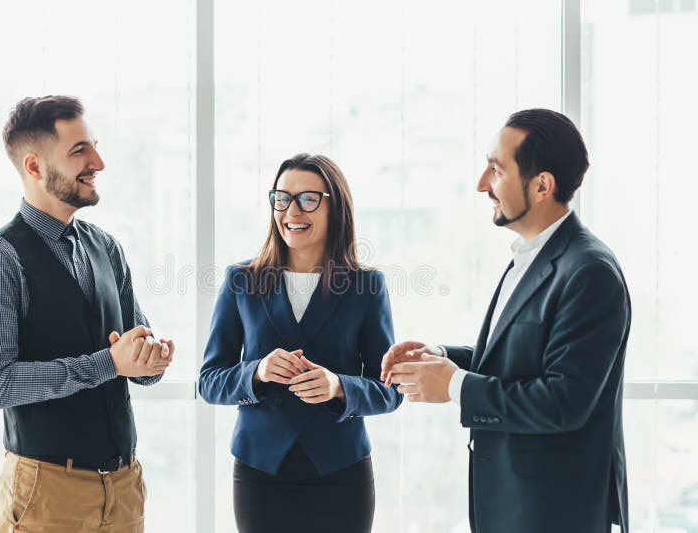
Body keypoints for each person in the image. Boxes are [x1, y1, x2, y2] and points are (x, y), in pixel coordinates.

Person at [381, 109, 631, 533]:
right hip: (512, 503)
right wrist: (441, 356)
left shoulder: (590, 271)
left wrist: (455, 386)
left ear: (542, 186)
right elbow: (515, 358)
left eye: (496, 170)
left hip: (552, 512)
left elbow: (563, 401)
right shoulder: (530, 256)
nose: (482, 184)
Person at [0, 95, 174, 532]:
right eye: (79, 150)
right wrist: (107, 364)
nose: (97, 161)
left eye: (93, 146)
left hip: (123, 488)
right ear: (35, 167)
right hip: (46, 493)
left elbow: (135, 360)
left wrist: (150, 359)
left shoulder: (106, 246)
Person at [199, 153, 402, 533]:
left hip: (341, 471)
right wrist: (255, 372)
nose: (292, 210)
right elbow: (209, 382)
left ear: (335, 206)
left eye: (308, 198)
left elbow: (390, 391)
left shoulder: (366, 286)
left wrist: (338, 385)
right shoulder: (242, 280)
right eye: (282, 197)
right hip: (261, 471)